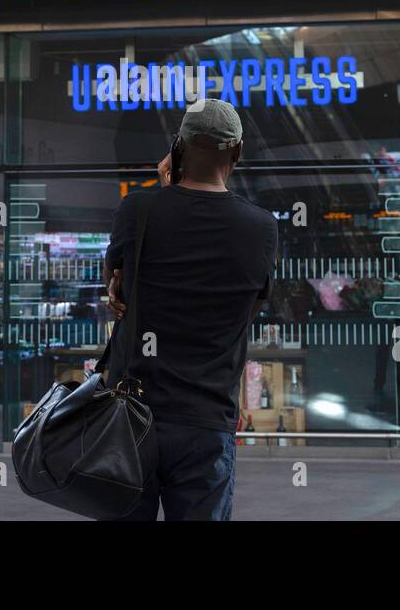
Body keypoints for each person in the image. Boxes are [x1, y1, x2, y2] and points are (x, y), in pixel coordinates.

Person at [102, 97, 278, 521]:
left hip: (131, 414)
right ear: (236, 153)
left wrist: (166, 192)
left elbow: (119, 288)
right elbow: (246, 310)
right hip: (206, 419)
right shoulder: (261, 228)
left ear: (177, 147)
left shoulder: (138, 210)